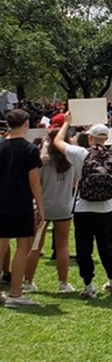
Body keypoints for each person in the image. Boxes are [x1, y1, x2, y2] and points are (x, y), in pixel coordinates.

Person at [53, 115, 112, 298]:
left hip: (83, 207)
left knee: (84, 248)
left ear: (90, 138)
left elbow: (57, 141)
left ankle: (89, 285)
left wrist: (67, 123)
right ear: (107, 138)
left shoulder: (81, 154)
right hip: (106, 208)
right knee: (106, 245)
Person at [0, 109, 45, 307]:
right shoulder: (29, 149)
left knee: (1, 245)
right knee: (23, 246)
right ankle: (15, 293)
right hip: (20, 203)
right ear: (26, 124)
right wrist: (40, 207)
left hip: (1, 202)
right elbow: (34, 182)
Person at [26, 128, 79, 294]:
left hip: (44, 205)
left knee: (35, 245)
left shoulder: (43, 160)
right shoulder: (72, 160)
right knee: (62, 246)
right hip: (64, 206)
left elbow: (35, 183)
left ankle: (28, 282)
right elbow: (74, 183)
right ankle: (63, 283)